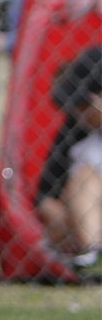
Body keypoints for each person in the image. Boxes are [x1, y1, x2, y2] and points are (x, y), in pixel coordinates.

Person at [37, 47, 102, 278]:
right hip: (85, 219)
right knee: (85, 177)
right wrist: (59, 220)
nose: (78, 114)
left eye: (84, 106)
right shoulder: (74, 133)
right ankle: (94, 251)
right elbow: (46, 195)